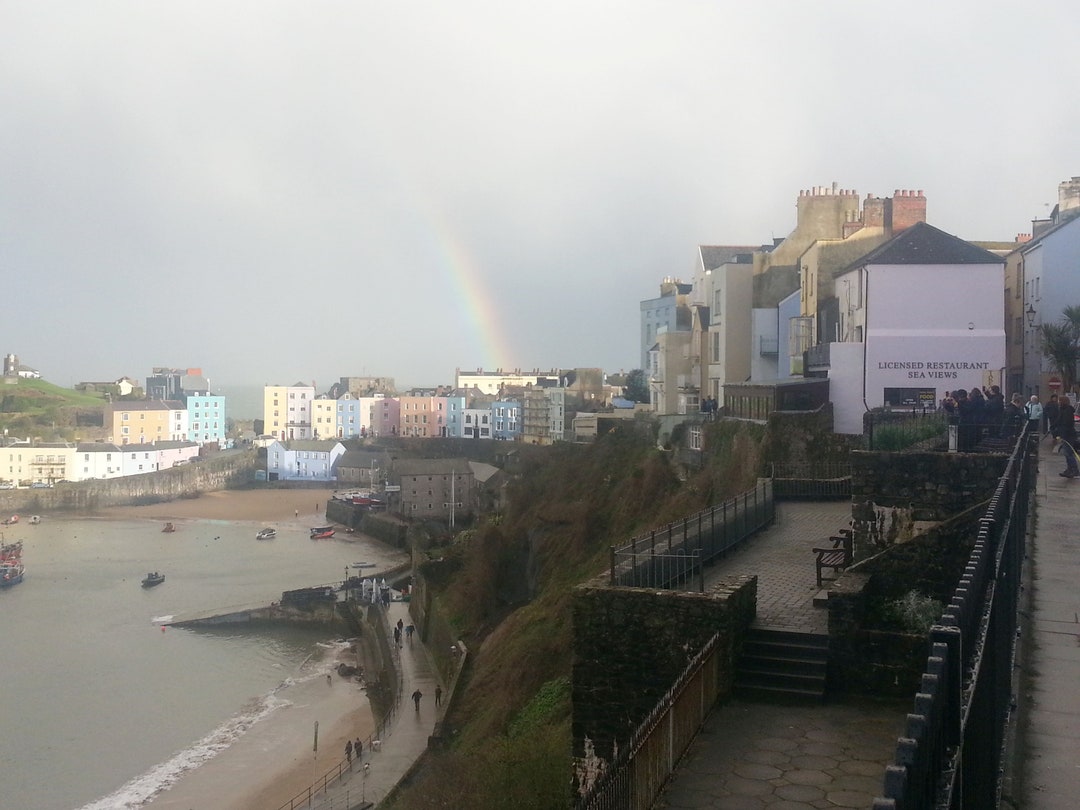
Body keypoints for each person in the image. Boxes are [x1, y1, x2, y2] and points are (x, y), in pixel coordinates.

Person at [1056, 395, 1079, 478]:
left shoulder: (1067, 411)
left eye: (1059, 400)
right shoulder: (1063, 410)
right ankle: (1069, 469)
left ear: (1063, 401)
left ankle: (1074, 470)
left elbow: (1066, 424)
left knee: (1069, 453)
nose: (1058, 402)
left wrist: (1062, 435)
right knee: (1066, 453)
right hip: (1066, 435)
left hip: (1068, 435)